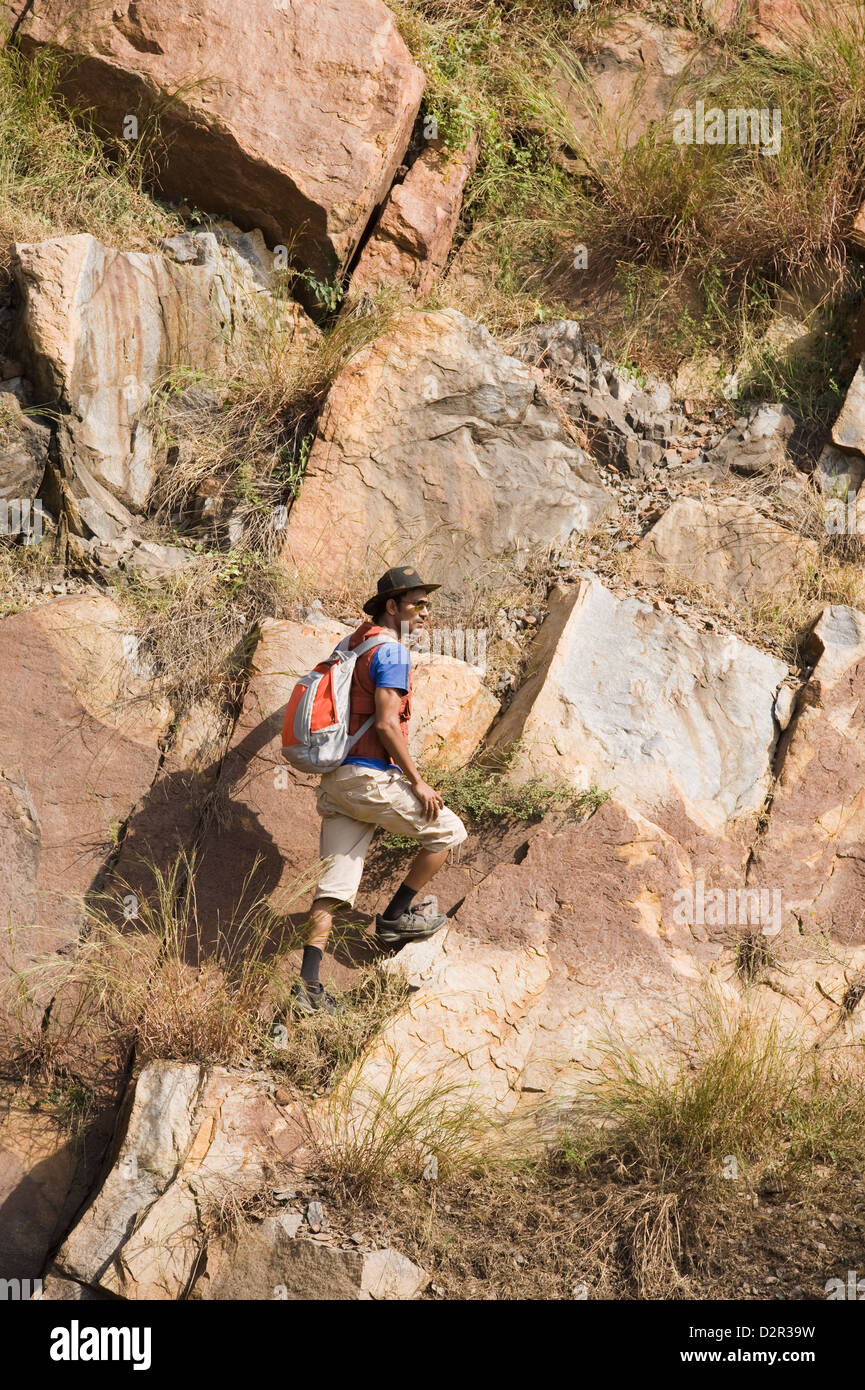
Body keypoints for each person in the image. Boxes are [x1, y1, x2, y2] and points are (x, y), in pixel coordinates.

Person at [291, 567, 468, 1014]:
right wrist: (418, 781)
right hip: (370, 777)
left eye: (427, 604)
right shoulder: (391, 652)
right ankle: (393, 919)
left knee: (332, 890)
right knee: (447, 832)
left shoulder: (354, 642)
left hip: (338, 781)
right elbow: (388, 724)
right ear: (392, 606)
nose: (425, 612)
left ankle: (307, 986)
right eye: (417, 604)